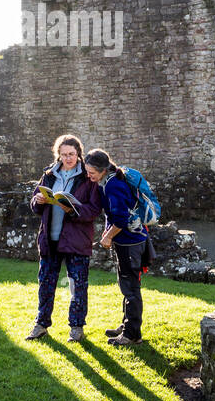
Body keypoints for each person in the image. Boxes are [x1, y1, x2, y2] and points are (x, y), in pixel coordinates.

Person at [26, 134, 102, 343]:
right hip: (50, 240)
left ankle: (76, 328)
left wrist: (72, 208)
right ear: (58, 155)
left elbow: (94, 210)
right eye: (64, 155)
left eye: (71, 154)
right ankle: (41, 325)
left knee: (77, 286)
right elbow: (34, 206)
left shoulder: (88, 178)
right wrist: (39, 200)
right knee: (45, 284)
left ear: (79, 154)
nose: (68, 158)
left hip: (76, 242)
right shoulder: (49, 175)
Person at [82, 148, 147, 346]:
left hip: (130, 243)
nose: (88, 175)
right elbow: (115, 214)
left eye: (91, 172)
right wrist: (108, 231)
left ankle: (132, 334)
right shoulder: (108, 181)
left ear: (102, 170)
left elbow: (121, 218)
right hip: (129, 240)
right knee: (126, 284)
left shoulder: (113, 185)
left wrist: (108, 237)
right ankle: (127, 325)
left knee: (131, 287)